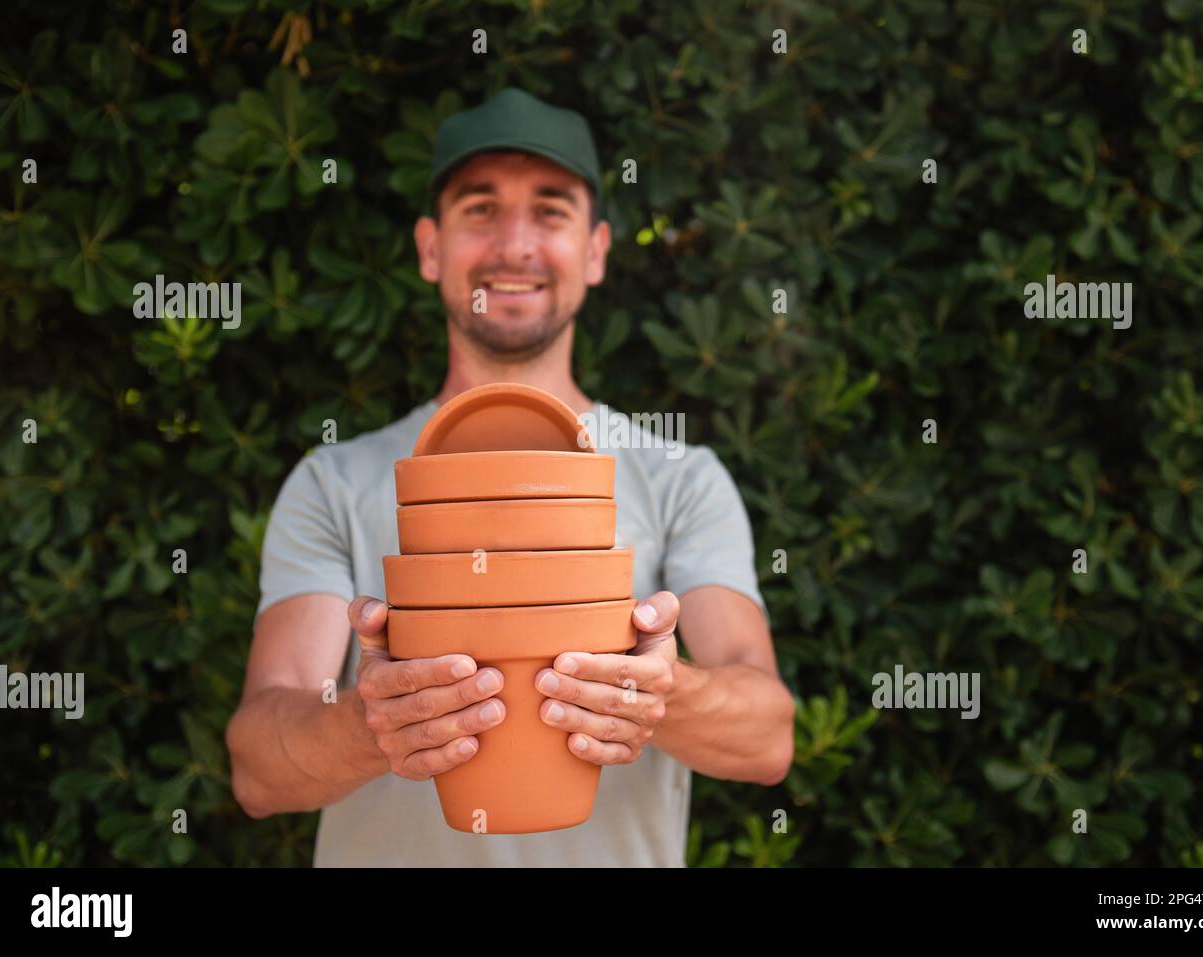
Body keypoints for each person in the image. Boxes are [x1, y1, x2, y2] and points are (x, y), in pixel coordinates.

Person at [226, 87, 795, 866]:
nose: (515, 245)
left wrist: (663, 692)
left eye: (552, 210)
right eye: (481, 209)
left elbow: (768, 735)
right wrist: (373, 721)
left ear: (596, 251)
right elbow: (259, 766)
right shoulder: (335, 480)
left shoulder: (680, 476)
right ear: (431, 248)